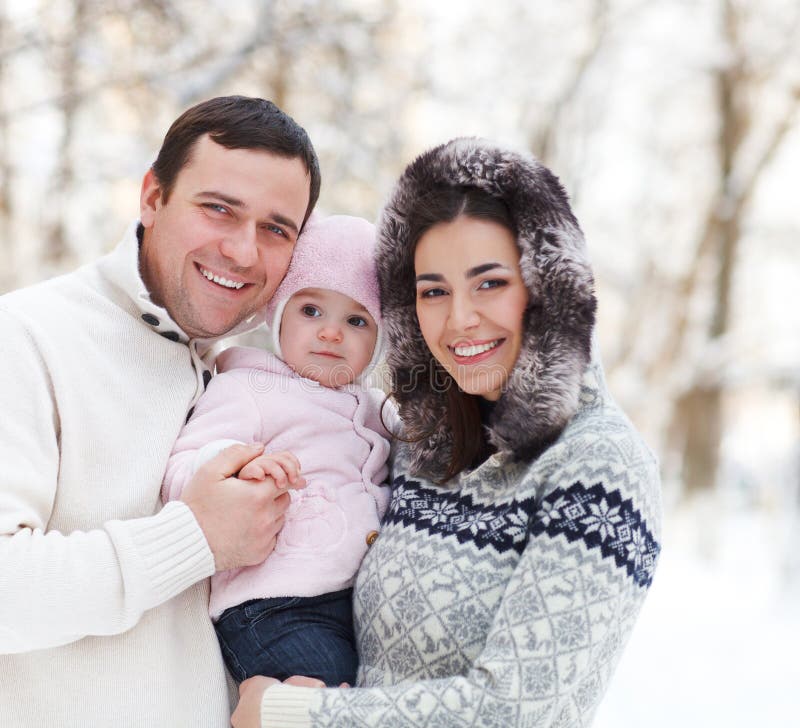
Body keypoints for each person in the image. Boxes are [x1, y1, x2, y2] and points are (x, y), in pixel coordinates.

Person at [233, 138, 662, 727]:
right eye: (434, 291)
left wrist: (297, 714)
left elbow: (518, 711)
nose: (460, 318)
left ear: (550, 286)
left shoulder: (600, 465)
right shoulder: (417, 445)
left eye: (490, 283)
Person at [0, 95, 320, 727]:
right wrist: (193, 538)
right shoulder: (27, 338)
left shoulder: (253, 380)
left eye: (276, 229)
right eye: (219, 209)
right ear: (152, 196)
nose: (243, 252)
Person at [162, 214, 395, 688]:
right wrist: (240, 465)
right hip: (272, 604)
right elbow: (183, 468)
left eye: (356, 320)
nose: (331, 333)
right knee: (326, 687)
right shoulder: (250, 388)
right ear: (279, 315)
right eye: (311, 311)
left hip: (350, 602)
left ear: (380, 341)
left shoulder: (374, 409)